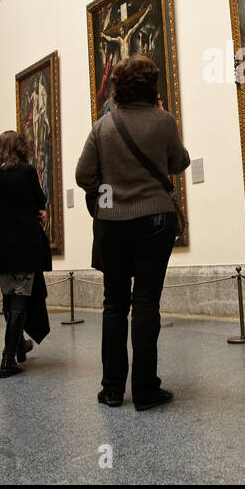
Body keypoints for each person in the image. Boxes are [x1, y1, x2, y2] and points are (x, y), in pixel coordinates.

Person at [75, 54, 189, 410]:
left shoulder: (103, 126)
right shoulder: (163, 121)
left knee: (114, 304)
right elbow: (179, 163)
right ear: (152, 86)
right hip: (155, 221)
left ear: (117, 88)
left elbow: (83, 176)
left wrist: (110, 189)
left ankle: (111, 389)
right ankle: (144, 389)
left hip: (112, 224)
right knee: (146, 304)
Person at [0, 130, 52, 379]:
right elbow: (39, 203)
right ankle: (8, 359)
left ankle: (18, 346)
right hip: (23, 242)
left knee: (9, 296)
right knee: (20, 297)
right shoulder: (26, 171)